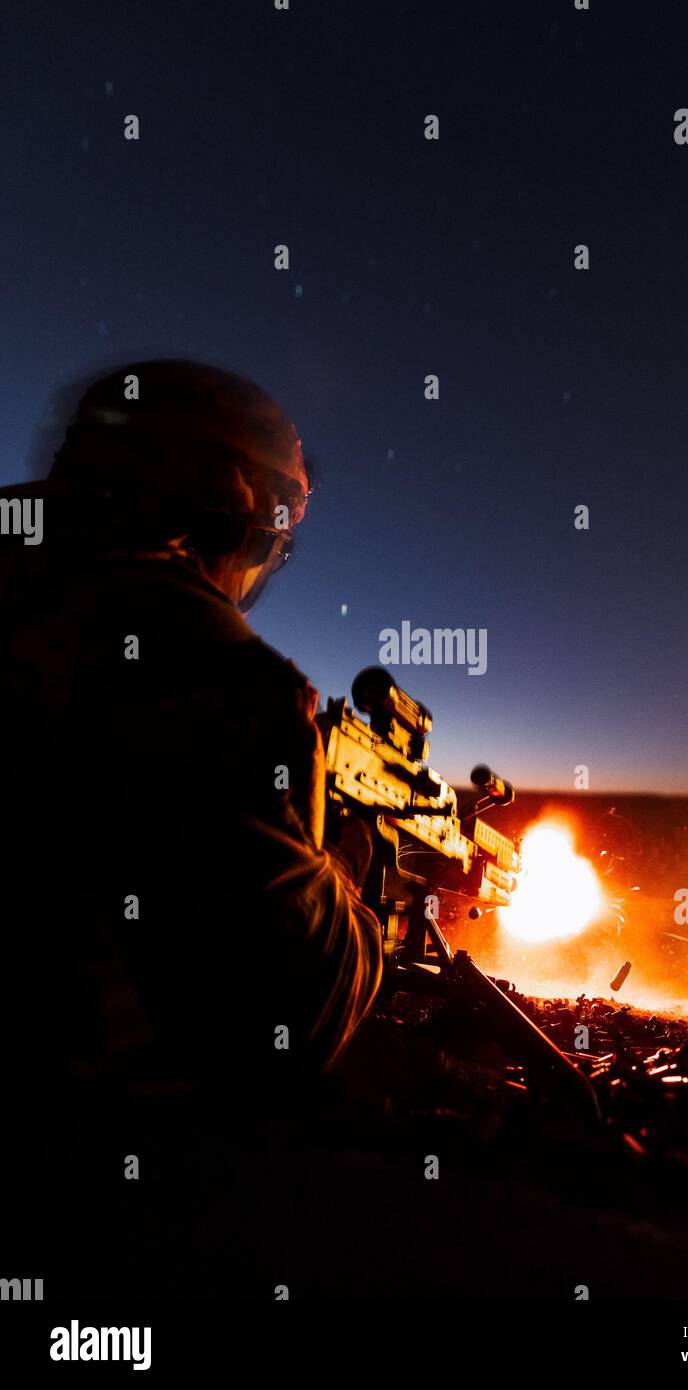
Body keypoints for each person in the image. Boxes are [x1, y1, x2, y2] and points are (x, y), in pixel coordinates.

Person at [0, 360, 383, 1296]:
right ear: (229, 503)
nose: (264, 562)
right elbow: (291, 1017)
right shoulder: (201, 657)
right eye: (275, 532)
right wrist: (352, 879)